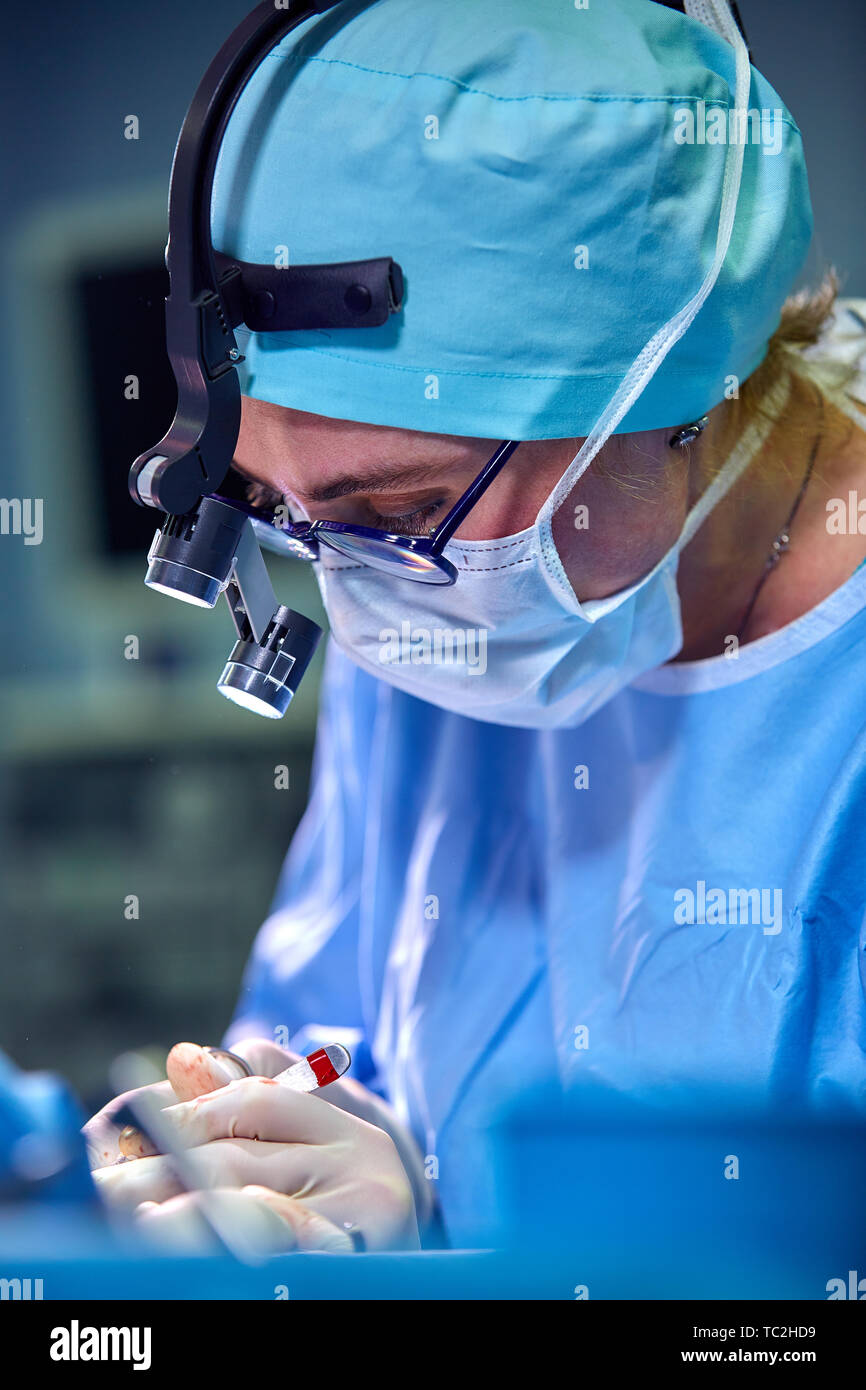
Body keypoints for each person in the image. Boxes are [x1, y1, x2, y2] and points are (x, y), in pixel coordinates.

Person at [85, 0, 866, 1254]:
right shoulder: (440, 602)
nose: (353, 585)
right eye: (281, 510)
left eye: (390, 505)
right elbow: (339, 1034)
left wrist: (473, 1238)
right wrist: (310, 1137)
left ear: (665, 385)